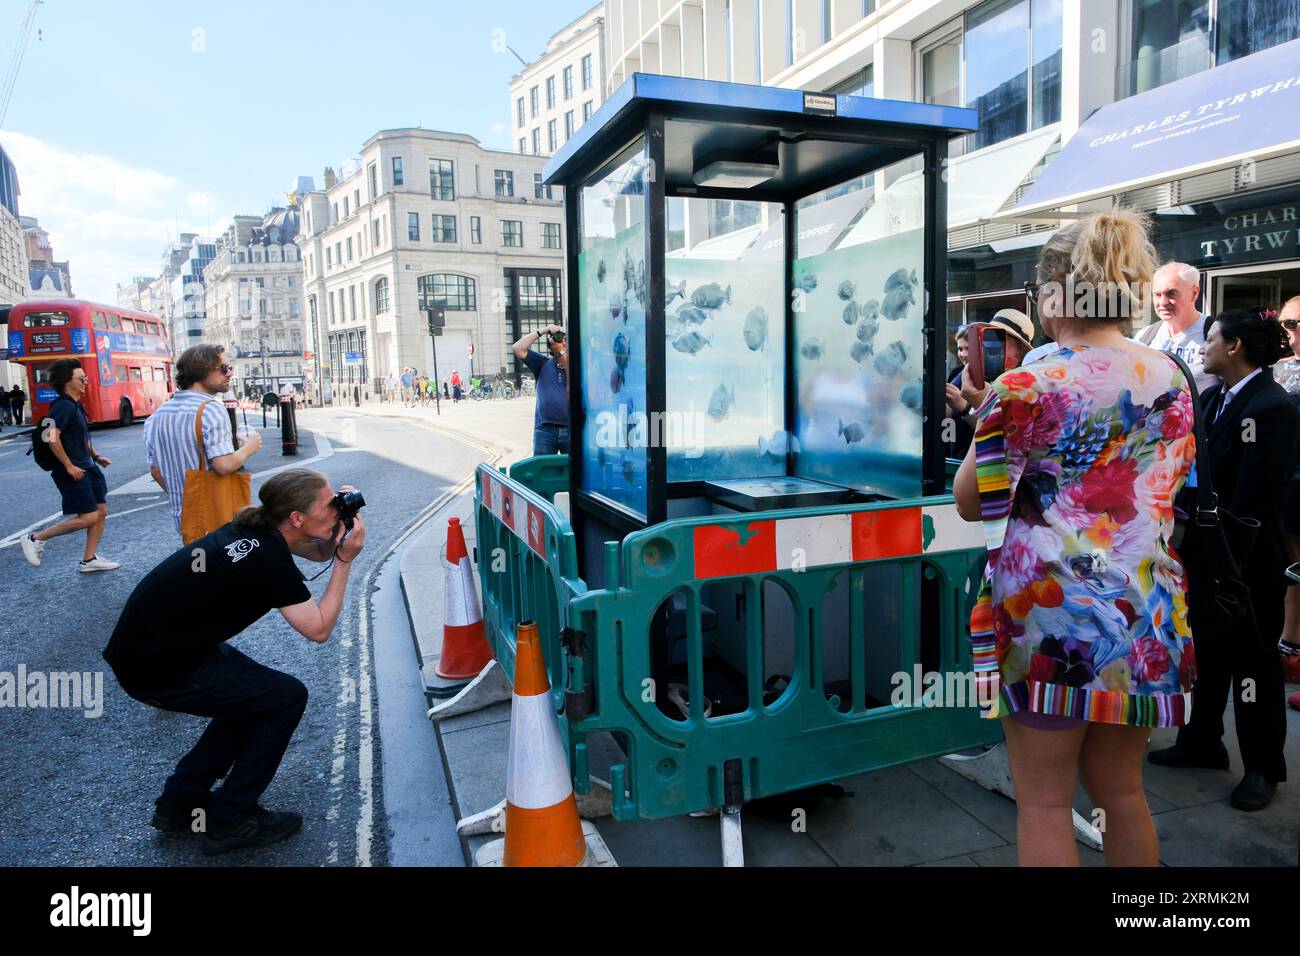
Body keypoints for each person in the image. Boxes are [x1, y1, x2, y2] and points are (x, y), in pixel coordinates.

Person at [954, 209, 1193, 867]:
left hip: (1048, 616)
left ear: (1051, 291)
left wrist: (988, 415)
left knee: (1045, 802)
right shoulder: (1170, 377)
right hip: (1143, 612)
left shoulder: (1025, 385)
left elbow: (974, 503)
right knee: (1122, 794)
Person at [102, 469, 366, 855]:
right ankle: (229, 819)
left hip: (156, 649)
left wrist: (340, 530)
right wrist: (344, 562)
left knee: (250, 697)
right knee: (285, 698)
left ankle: (180, 802)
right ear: (297, 518)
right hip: (160, 668)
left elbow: (318, 548)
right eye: (329, 505)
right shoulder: (267, 559)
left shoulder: (258, 533)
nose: (334, 508)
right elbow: (319, 628)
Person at [1148, 307, 1296, 811]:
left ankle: (1262, 767)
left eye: (1210, 338)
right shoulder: (1212, 397)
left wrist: (1218, 544)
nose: (1203, 347)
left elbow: (1256, 497)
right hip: (1208, 554)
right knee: (1207, 655)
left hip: (1249, 561)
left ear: (1233, 347)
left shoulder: (1273, 408)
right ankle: (1200, 741)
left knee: (1254, 666)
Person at [145, 345, 263, 540]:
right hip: (215, 515)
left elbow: (156, 470)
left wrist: (185, 497)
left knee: (199, 566)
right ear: (202, 369)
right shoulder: (210, 409)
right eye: (224, 368)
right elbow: (223, 465)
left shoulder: (158, 415)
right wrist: (250, 446)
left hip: (184, 516)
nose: (230, 374)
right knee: (224, 566)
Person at [21, 359, 121, 573]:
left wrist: (95, 455)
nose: (86, 381)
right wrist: (68, 465)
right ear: (68, 382)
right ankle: (35, 538)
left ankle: (89, 559)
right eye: (81, 378)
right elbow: (50, 435)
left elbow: (78, 436)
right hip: (73, 470)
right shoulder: (63, 406)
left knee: (100, 511)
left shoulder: (75, 405)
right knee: (88, 517)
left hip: (87, 466)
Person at [948, 310, 1035, 458]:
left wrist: (965, 407)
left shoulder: (1024, 387)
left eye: (1000, 339)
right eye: (987, 336)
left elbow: (1006, 440)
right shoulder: (965, 372)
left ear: (1019, 351)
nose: (989, 344)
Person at [1272, 295, 1300, 709]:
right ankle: (1290, 648)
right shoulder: (1281, 368)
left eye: (1293, 324)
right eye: (1284, 324)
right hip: (1287, 481)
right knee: (1291, 571)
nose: (1287, 332)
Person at [1133, 262, 1218, 394]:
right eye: (1157, 295)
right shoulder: (1145, 337)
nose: (1162, 302)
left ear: (1194, 293)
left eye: (1171, 293)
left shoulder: (1215, 334)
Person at [512, 324, 569, 454]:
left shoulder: (576, 364)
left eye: (565, 339)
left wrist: (561, 353)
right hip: (545, 430)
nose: (562, 341)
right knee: (542, 470)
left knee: (573, 473)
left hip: (571, 429)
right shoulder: (542, 363)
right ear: (550, 345)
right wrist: (543, 331)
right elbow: (517, 348)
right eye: (559, 339)